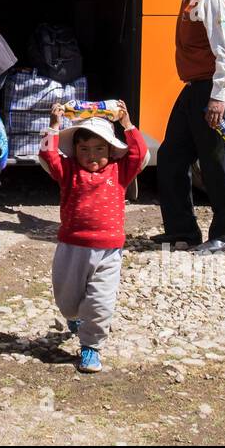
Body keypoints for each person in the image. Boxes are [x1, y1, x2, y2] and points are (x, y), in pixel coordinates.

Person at [142, 0, 225, 254]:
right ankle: (182, 231)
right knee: (172, 156)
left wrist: (218, 97)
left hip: (213, 90)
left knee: (217, 163)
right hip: (197, 89)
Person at [39, 100, 146, 373]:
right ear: (74, 151)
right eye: (84, 149)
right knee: (66, 300)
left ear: (111, 150)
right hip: (71, 247)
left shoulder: (119, 172)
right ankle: (75, 319)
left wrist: (127, 124)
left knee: (100, 301)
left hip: (109, 251)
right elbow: (48, 157)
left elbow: (139, 154)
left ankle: (91, 346)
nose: (92, 156)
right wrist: (54, 126)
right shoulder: (69, 172)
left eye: (100, 150)